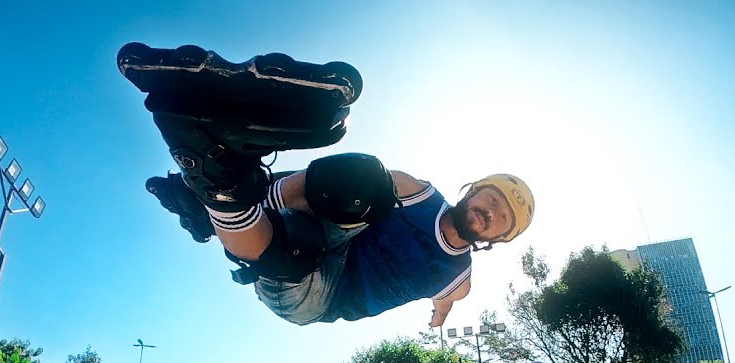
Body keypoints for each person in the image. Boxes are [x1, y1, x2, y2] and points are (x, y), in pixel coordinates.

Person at [128, 46, 535, 328]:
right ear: (474, 189)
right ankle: (230, 169)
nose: (491, 212)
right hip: (321, 228)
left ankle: (214, 194)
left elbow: (444, 301)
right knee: (367, 179)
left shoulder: (459, 279)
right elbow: (315, 185)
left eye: (502, 219)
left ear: (499, 237)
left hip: (320, 295)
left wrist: (439, 314)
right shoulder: (419, 193)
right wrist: (258, 191)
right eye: (493, 198)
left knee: (298, 246)